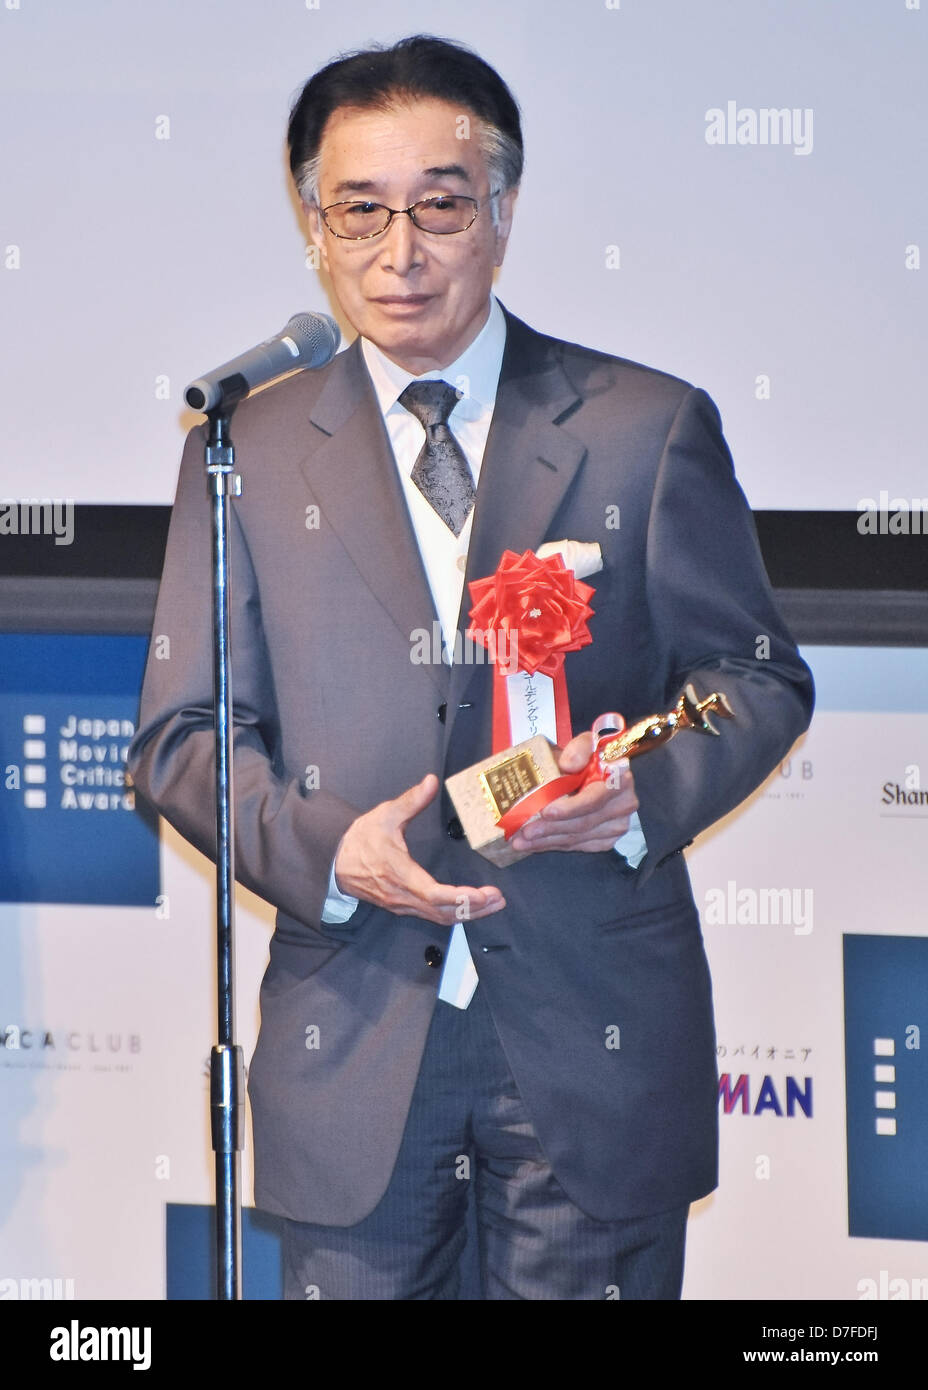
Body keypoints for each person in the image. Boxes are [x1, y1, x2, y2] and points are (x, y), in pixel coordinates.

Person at [129, 34, 814, 1300]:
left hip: (589, 1026)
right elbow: (184, 736)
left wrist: (636, 790)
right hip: (358, 1038)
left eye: (440, 206)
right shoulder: (248, 448)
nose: (401, 253)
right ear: (313, 224)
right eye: (360, 211)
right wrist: (331, 850)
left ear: (501, 211)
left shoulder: (640, 425)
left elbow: (753, 676)